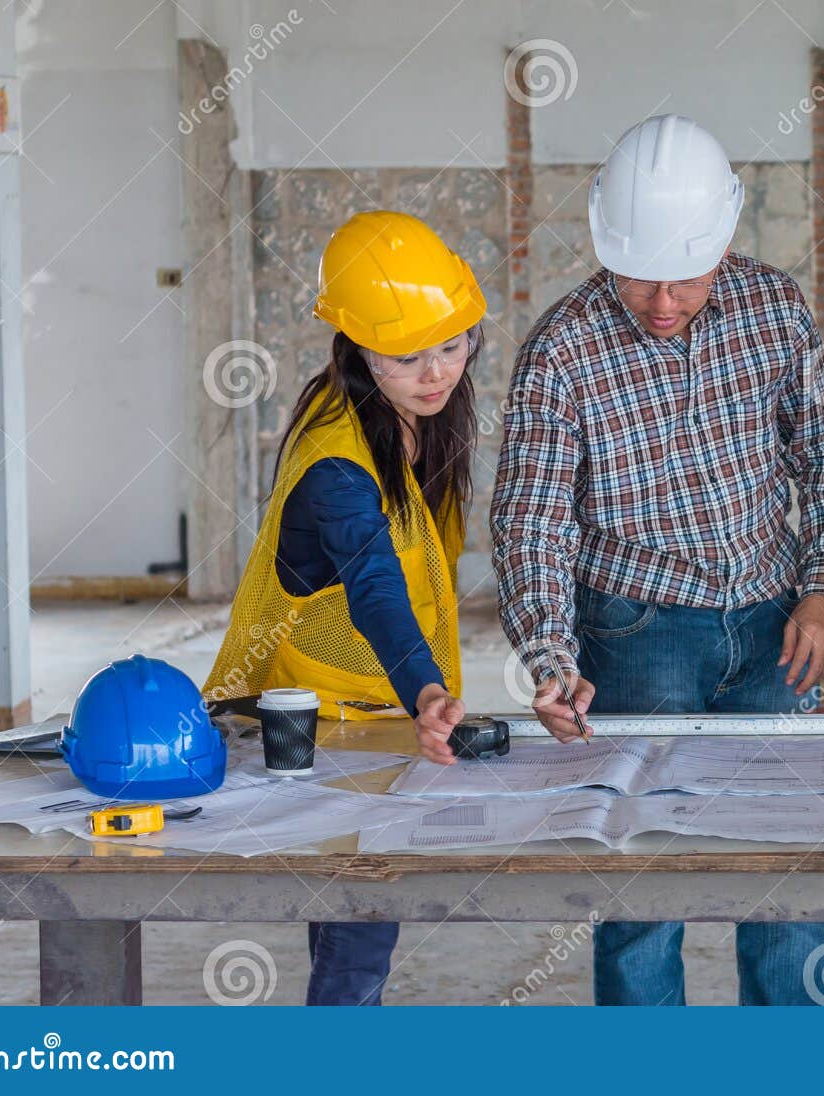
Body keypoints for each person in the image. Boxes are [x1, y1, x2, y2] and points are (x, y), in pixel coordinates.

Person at [491, 114, 824, 1005]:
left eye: (685, 279)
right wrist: (552, 656)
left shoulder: (774, 308)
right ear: (602, 244)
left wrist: (823, 588)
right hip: (637, 632)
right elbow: (532, 521)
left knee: (788, 866)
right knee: (642, 874)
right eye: (639, 277)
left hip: (780, 625)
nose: (662, 303)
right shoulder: (563, 349)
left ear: (724, 241)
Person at [203, 210, 485, 1005]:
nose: (436, 372)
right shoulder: (338, 462)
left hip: (375, 709)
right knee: (359, 938)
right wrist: (427, 691)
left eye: (452, 344)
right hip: (319, 722)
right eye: (405, 355)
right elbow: (375, 590)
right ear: (356, 347)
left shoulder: (417, 417)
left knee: (359, 922)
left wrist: (418, 693)